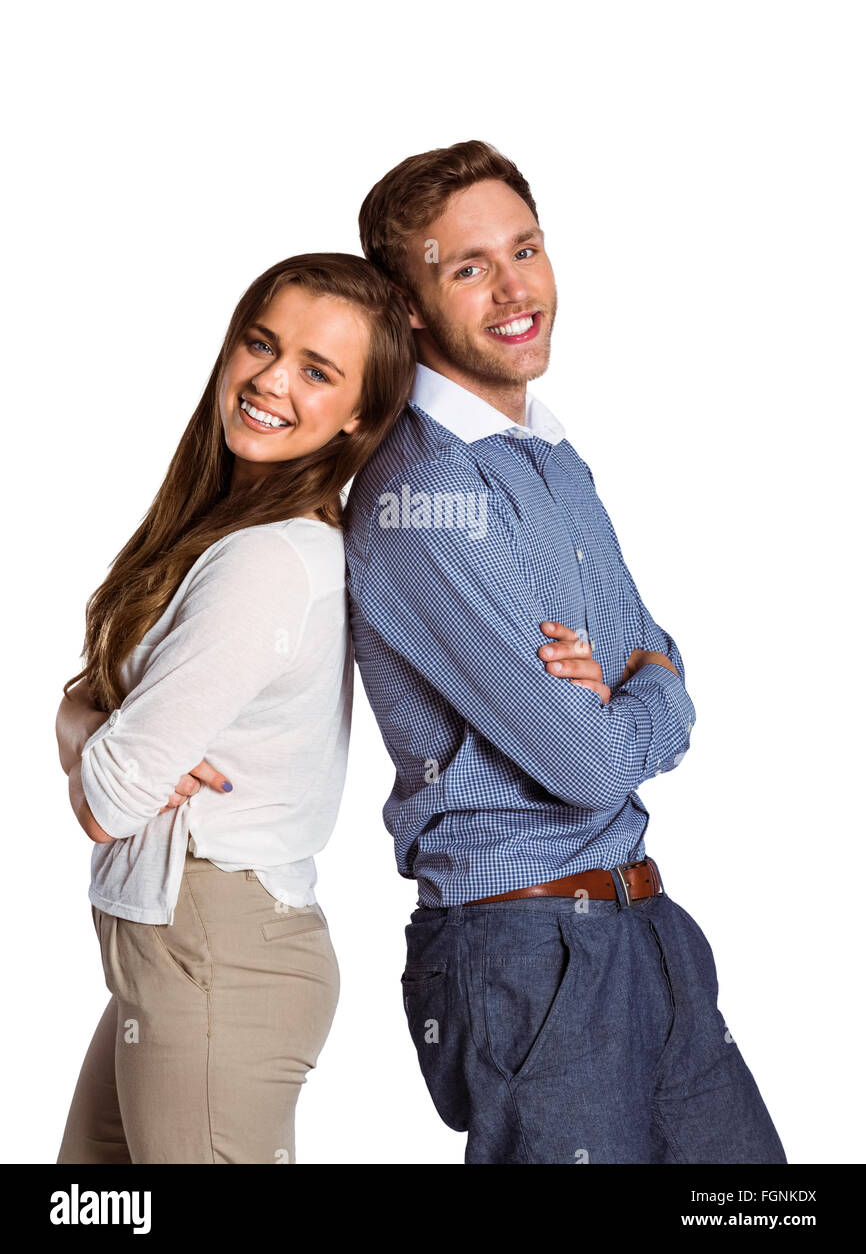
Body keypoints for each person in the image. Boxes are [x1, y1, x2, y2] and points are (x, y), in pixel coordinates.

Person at [343, 140, 788, 1165]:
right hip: (527, 953)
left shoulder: (549, 457)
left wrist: (636, 689)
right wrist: (643, 700)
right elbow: (588, 761)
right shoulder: (425, 495)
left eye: (525, 249)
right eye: (468, 267)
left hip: (643, 925)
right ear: (408, 305)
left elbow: (655, 653)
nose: (514, 288)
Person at [55, 252, 415, 1164]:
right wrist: (92, 733)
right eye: (263, 344)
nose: (270, 381)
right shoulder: (223, 532)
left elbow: (108, 801)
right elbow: (87, 709)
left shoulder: (267, 563)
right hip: (171, 951)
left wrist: (98, 747)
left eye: (316, 370)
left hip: (219, 951)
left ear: (360, 415)